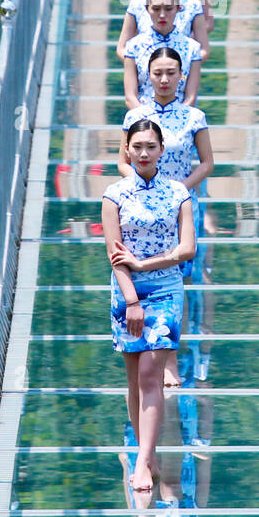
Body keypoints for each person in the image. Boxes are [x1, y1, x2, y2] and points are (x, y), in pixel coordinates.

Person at [102, 118, 196, 491]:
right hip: (126, 294)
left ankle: (142, 463)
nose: (143, 153)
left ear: (162, 150)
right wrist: (131, 300)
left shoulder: (178, 193)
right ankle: (147, 452)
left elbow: (187, 249)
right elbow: (113, 254)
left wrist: (145, 264)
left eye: (151, 147)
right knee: (133, 380)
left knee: (149, 374)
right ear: (127, 149)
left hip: (167, 290)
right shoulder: (113, 195)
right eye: (137, 146)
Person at [120, 47, 214, 388]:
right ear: (148, 75)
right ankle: (146, 349)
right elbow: (122, 160)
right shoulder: (135, 118)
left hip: (180, 205)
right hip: (140, 205)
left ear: (181, 76)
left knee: (175, 280)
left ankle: (169, 358)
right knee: (141, 275)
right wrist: (137, 188)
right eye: (157, 73)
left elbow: (207, 162)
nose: (163, 79)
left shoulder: (194, 116)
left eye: (171, 73)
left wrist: (177, 192)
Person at [122, 0, 204, 108]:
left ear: (178, 8)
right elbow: (130, 97)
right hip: (143, 122)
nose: (162, 14)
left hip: (182, 121)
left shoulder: (192, 48)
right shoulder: (133, 47)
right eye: (155, 8)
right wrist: (148, 121)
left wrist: (175, 119)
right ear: (146, 8)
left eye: (168, 8)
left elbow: (191, 97)